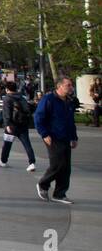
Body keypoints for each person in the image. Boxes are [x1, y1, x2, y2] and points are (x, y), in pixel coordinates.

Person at [33, 76, 77, 204]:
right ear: (60, 86)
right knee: (58, 164)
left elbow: (70, 121)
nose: (71, 87)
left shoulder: (68, 101)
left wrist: (74, 137)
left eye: (71, 85)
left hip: (66, 137)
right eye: (68, 85)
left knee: (66, 167)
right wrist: (44, 134)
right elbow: (38, 118)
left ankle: (60, 194)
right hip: (53, 136)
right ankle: (43, 184)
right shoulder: (49, 99)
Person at [0, 80, 36, 171]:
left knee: (7, 144)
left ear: (7, 89)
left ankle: (3, 161)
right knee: (27, 144)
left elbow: (7, 113)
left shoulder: (7, 98)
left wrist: (7, 124)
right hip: (23, 124)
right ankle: (32, 163)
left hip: (12, 125)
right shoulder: (22, 97)